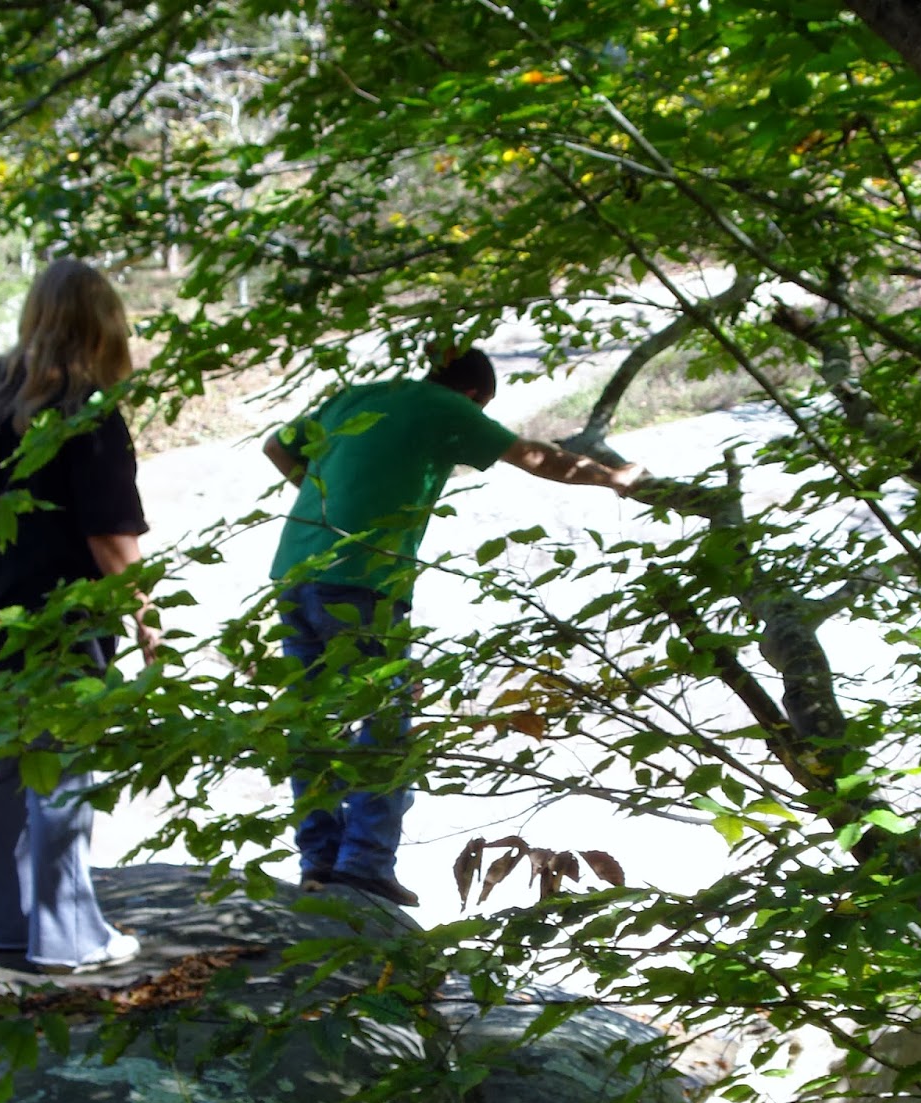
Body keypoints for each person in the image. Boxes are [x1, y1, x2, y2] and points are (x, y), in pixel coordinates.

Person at [263, 345, 647, 907]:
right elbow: (536, 457)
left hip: (295, 570)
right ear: (474, 395)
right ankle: (363, 866)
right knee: (382, 721)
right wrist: (616, 476)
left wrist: (332, 498)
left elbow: (276, 446)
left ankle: (319, 860)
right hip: (362, 579)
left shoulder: (362, 396)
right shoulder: (446, 407)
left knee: (313, 724)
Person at [0, 257, 155, 974]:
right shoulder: (83, 406)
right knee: (61, 775)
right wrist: (150, 619)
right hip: (57, 631)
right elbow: (111, 537)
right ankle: (69, 940)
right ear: (104, 323)